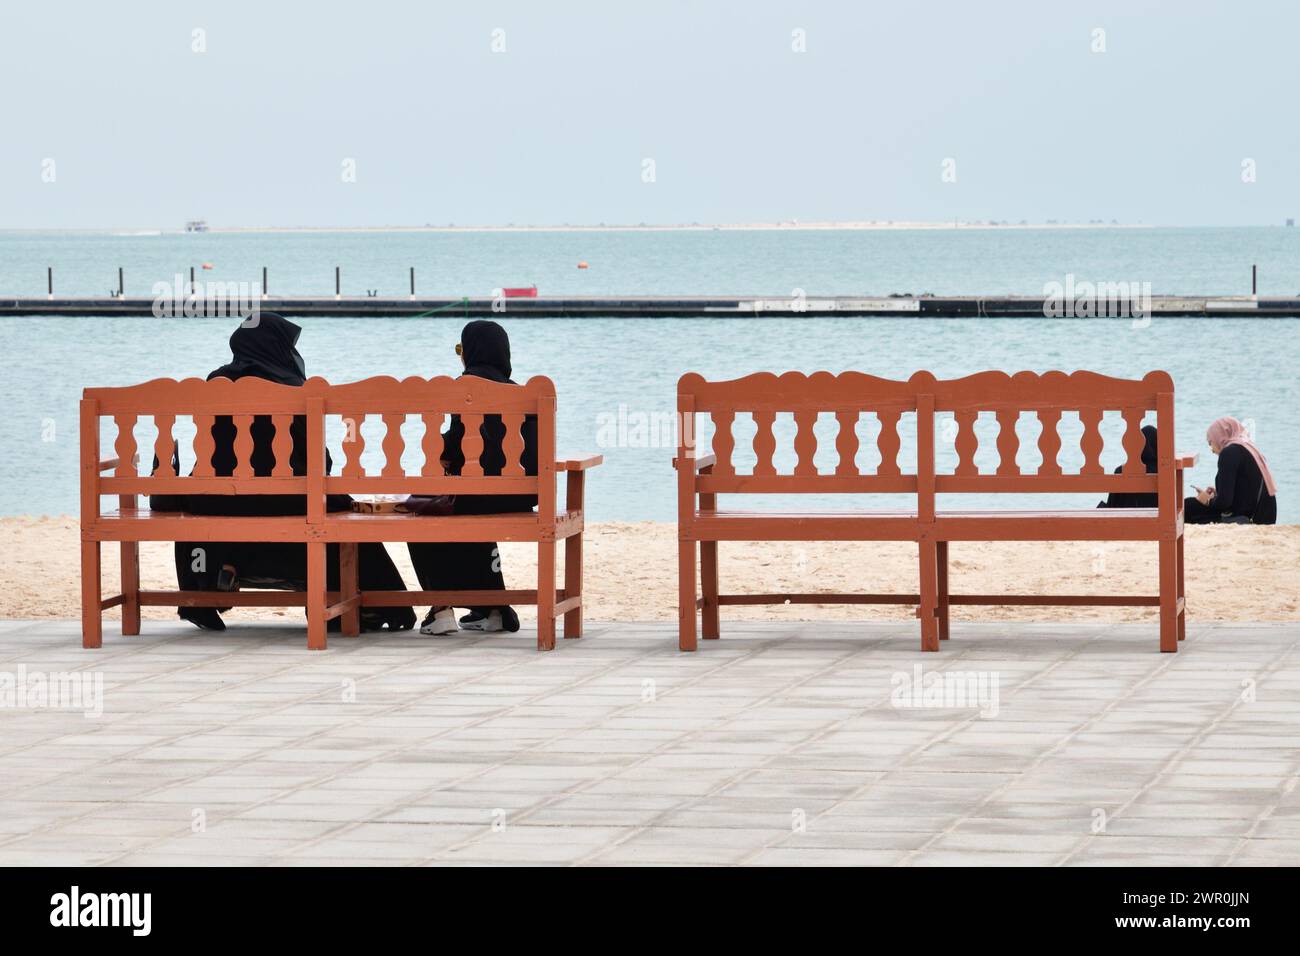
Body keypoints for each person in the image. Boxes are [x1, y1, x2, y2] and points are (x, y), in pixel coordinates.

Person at [150, 314, 416, 631]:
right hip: (291, 508)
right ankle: (368, 604)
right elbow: (321, 465)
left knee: (197, 511)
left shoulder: (215, 384)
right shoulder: (294, 390)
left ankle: (200, 596)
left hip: (222, 509)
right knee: (333, 514)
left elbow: (208, 456)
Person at [407, 320, 538, 635]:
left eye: (460, 350)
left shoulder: (463, 388)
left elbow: (453, 446)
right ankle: (492, 608)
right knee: (472, 508)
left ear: (471, 353)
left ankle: (441, 610)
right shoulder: (525, 395)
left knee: (422, 512)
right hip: (521, 498)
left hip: (475, 495)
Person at [1184, 416, 1277, 525]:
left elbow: (1224, 503)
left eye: (1210, 443)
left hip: (1251, 518)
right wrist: (1218, 494)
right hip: (1265, 515)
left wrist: (1207, 500)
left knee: (1188, 506)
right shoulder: (1246, 447)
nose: (1212, 450)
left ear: (1220, 437)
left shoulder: (1229, 453)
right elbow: (1245, 488)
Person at [1098, 425, 1159, 509]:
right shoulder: (1164, 472)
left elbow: (1112, 506)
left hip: (1125, 521)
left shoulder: (1121, 471)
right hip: (1157, 519)